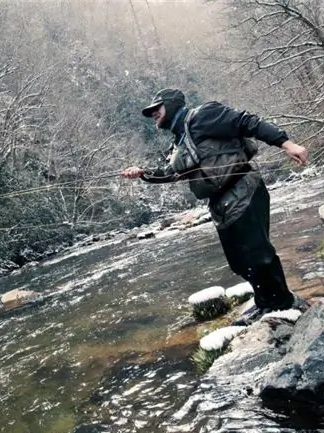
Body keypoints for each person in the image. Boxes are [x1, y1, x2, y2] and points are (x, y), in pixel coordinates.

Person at [121, 89, 308, 325]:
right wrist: (142, 174)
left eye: (157, 108)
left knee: (258, 253)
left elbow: (247, 122)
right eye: (150, 112)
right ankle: (264, 302)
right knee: (239, 260)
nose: (153, 114)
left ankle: (283, 304)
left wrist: (286, 143)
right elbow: (171, 173)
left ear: (171, 104)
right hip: (220, 203)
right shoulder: (179, 141)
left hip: (242, 189)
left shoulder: (203, 116)